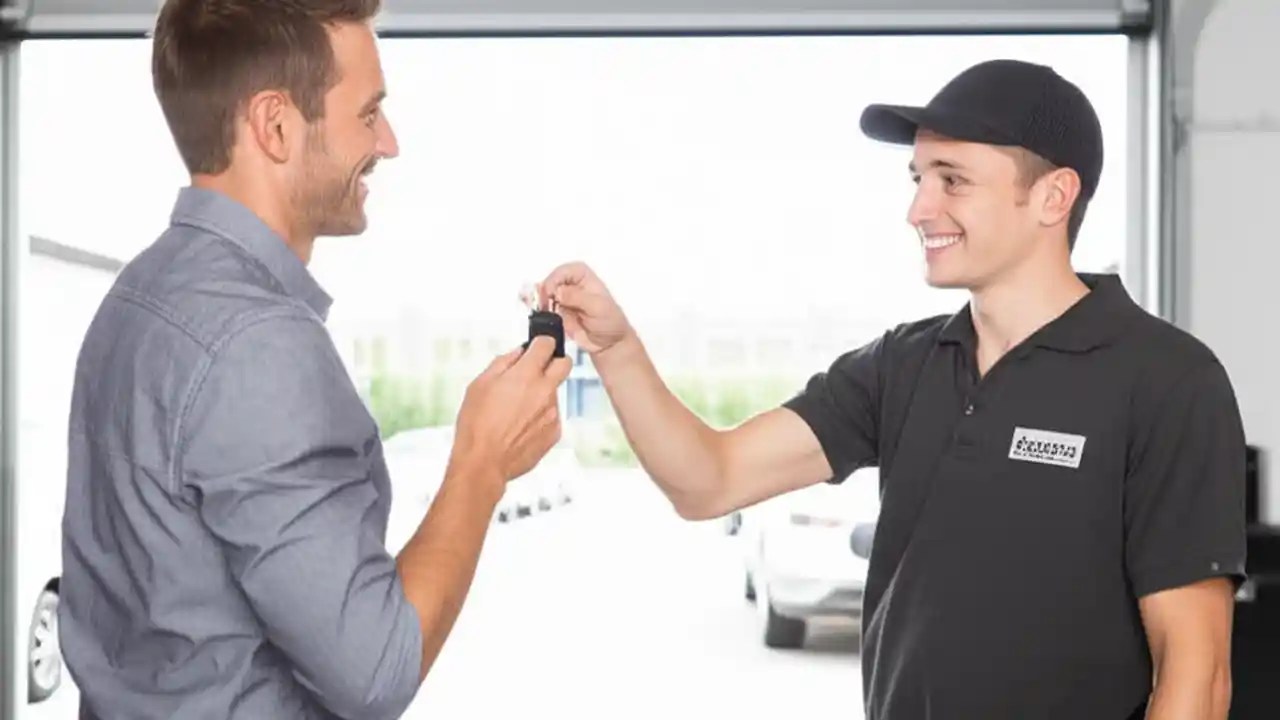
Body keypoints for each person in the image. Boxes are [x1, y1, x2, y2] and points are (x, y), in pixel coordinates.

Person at [539, 59, 1247, 719]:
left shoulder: (1166, 380)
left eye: (952, 180)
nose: (919, 209)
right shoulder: (902, 365)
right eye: (917, 179)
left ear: (1053, 196)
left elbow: (1197, 671)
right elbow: (707, 481)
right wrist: (618, 349)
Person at [58, 1, 571, 718]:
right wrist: (482, 460)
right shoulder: (257, 346)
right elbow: (376, 671)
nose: (388, 143)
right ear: (275, 126)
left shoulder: (141, 293)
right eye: (369, 114)